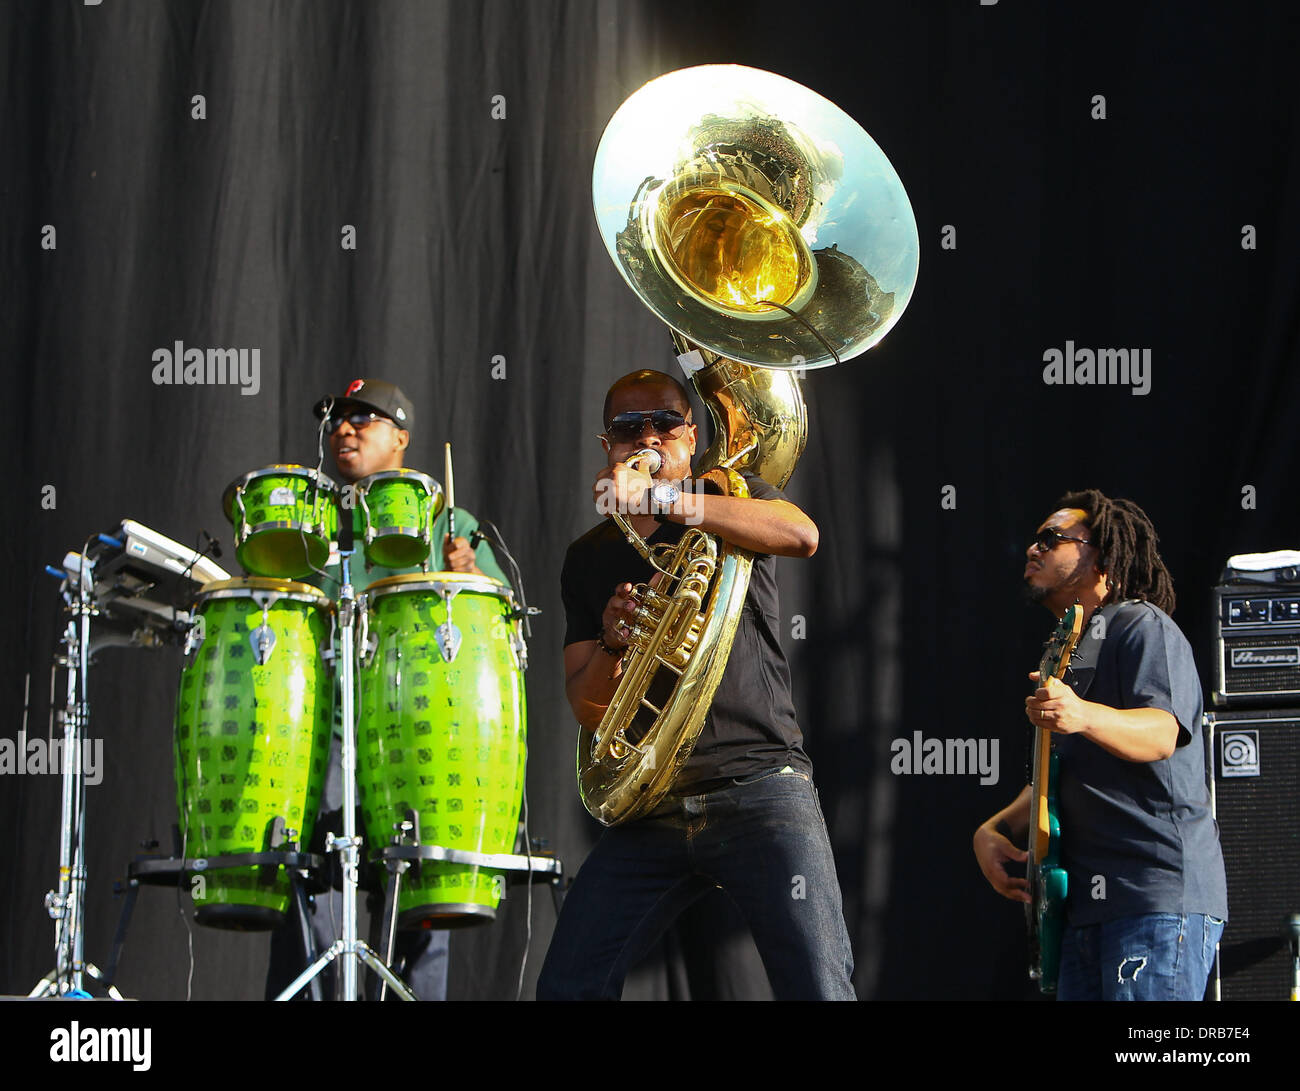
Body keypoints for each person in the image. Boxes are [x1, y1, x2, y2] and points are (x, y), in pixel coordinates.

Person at [537, 368, 855, 1001]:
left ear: (691, 435)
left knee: (819, 987)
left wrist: (668, 502)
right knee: (568, 986)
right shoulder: (588, 557)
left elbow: (803, 534)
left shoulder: (730, 497)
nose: (648, 438)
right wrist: (612, 643)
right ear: (607, 446)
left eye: (665, 423)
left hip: (760, 785)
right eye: (630, 429)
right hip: (650, 803)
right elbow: (589, 707)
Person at [266, 377, 509, 1000]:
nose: (344, 429)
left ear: (402, 438)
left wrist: (475, 574)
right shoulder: (313, 527)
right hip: (332, 726)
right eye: (339, 419)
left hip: (418, 731)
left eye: (363, 419)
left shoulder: (448, 524)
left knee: (421, 881)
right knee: (310, 868)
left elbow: (501, 630)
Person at [972, 490, 1227, 1001]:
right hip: (1084, 911)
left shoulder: (1143, 625)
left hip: (1152, 898)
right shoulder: (1069, 650)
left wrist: (1081, 714)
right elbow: (1059, 774)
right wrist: (994, 829)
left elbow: (1161, 734)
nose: (1032, 549)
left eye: (1052, 538)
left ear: (1103, 556)